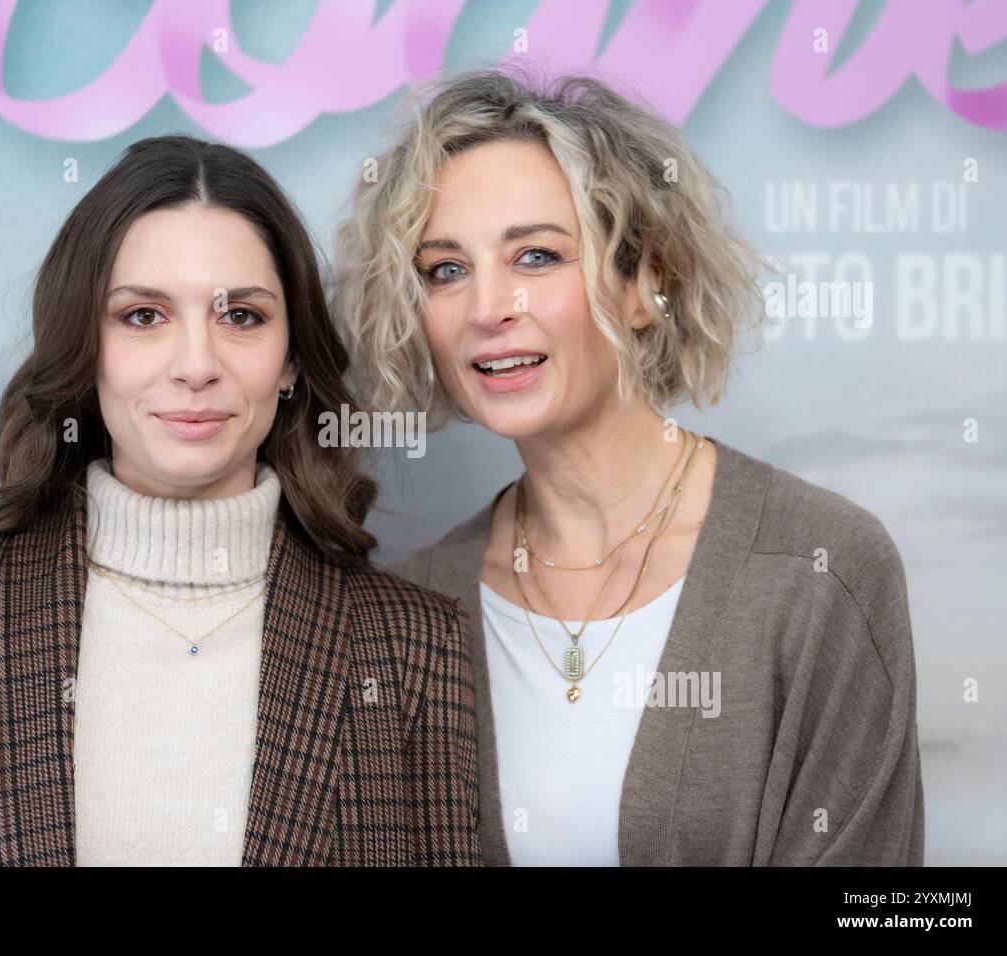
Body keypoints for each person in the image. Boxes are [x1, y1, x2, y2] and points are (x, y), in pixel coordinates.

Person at [0, 135, 481, 867]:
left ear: (291, 358)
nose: (196, 365)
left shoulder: (415, 645)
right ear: (84, 344)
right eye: (143, 316)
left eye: (241, 316)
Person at [331, 69, 923, 865]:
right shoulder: (414, 610)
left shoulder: (820, 568)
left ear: (649, 283)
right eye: (446, 270)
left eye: (536, 256)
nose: (486, 308)